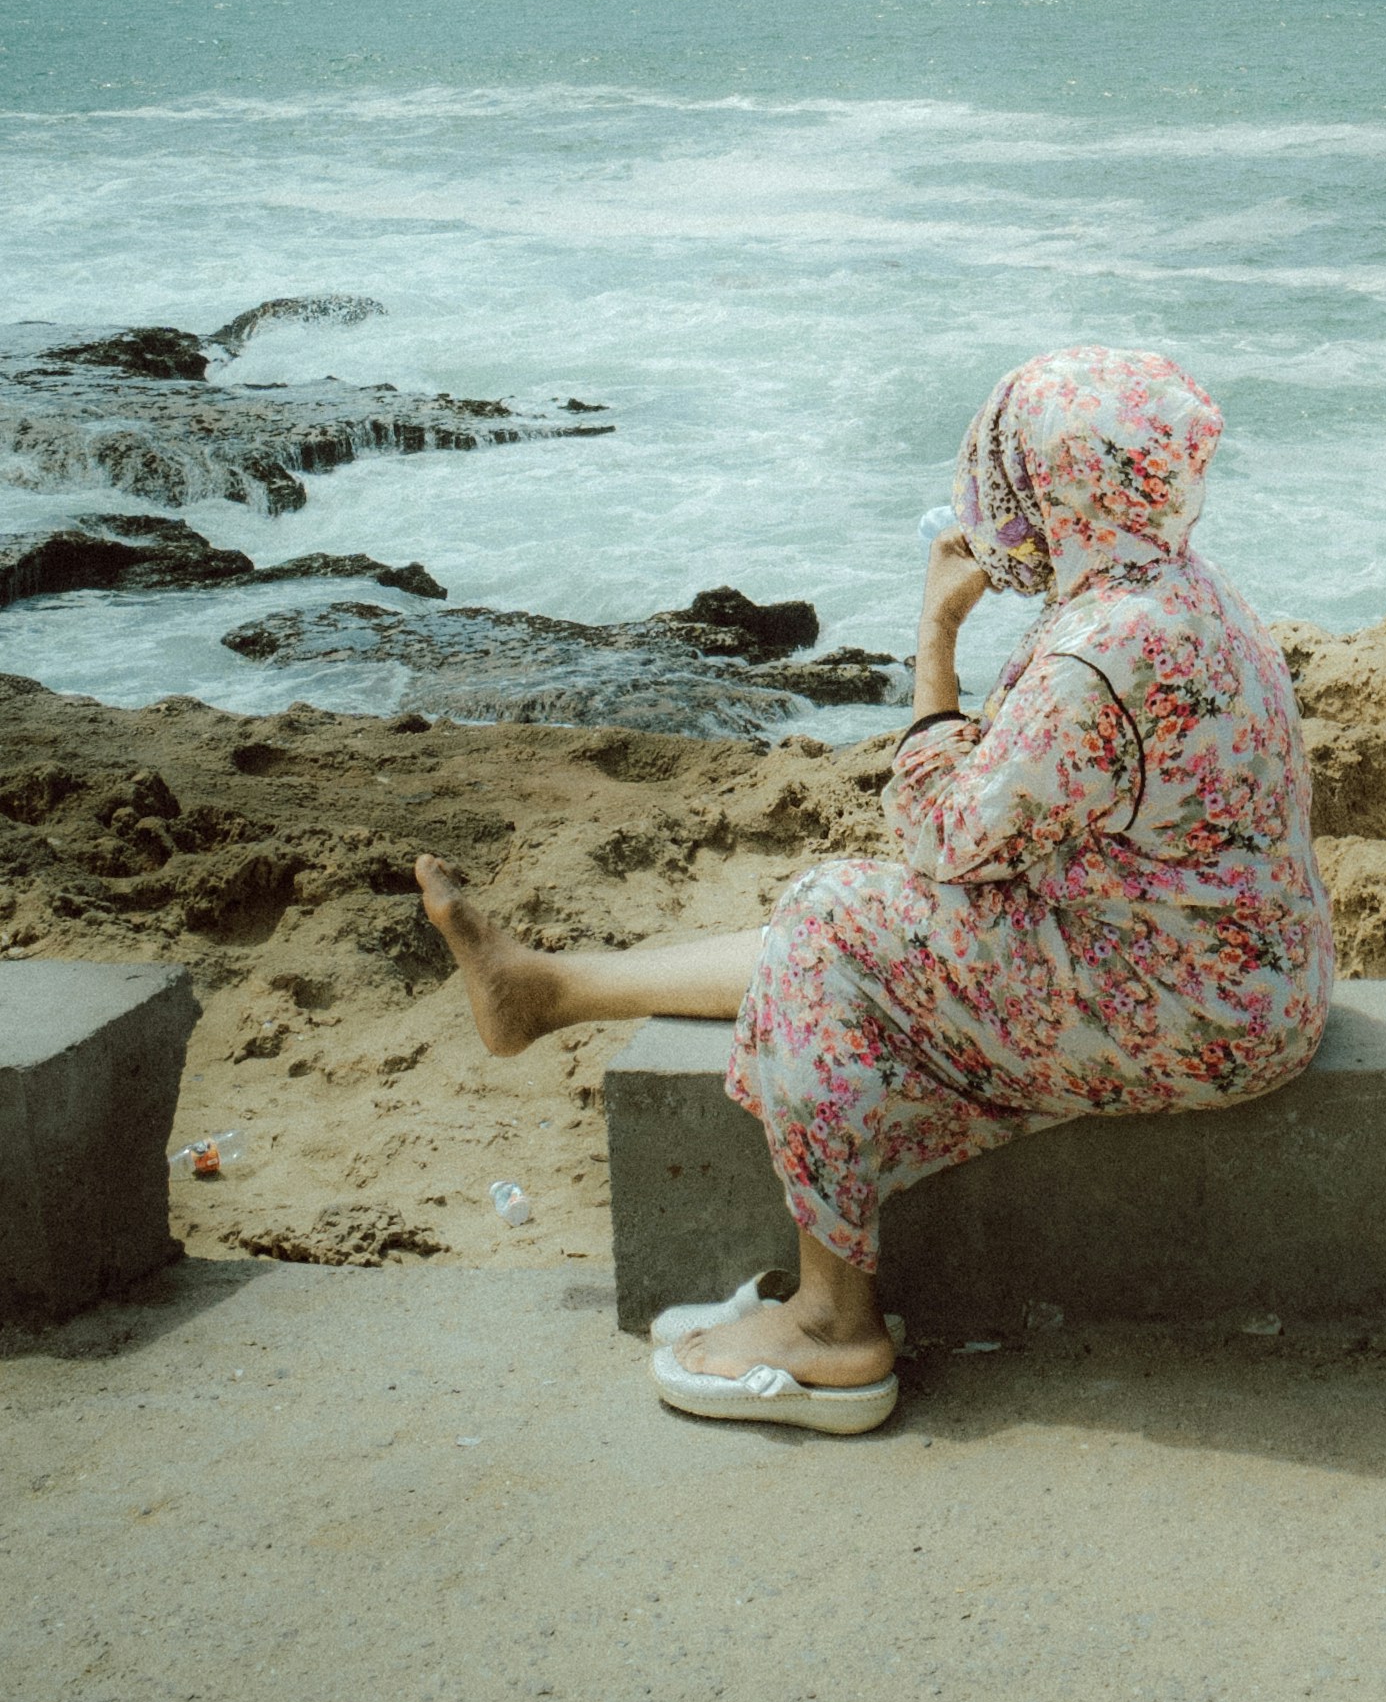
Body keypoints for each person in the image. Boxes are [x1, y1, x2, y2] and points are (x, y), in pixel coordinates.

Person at [415, 347, 1334, 1432]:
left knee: (827, 914)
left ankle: (832, 1327)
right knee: (860, 924)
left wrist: (935, 634)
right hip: (1255, 979)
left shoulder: (1104, 651)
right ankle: (552, 988)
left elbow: (943, 834)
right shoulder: (1182, 589)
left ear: (1054, 483)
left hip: (1192, 1014)